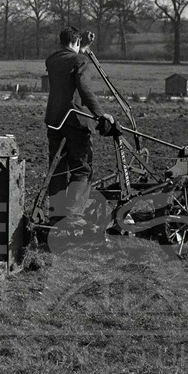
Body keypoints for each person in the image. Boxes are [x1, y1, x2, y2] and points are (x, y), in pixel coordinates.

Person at [44, 26, 113, 229]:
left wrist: (81, 47)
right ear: (76, 43)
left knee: (57, 168)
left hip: (55, 121)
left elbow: (67, 59)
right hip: (76, 120)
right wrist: (101, 114)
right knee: (82, 168)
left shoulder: (51, 60)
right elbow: (84, 89)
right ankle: (74, 216)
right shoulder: (80, 61)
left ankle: (56, 215)